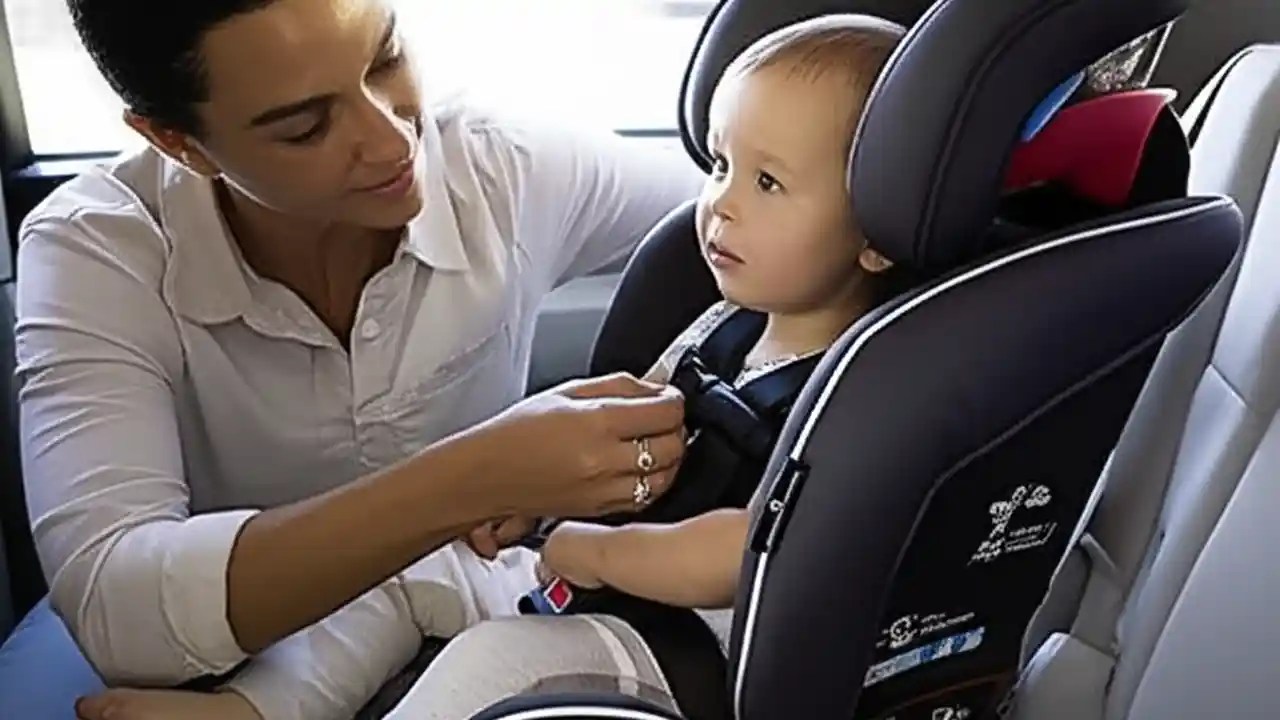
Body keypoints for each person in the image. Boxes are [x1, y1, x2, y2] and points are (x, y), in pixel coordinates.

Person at [22, 1, 704, 719]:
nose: (392, 141)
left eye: (386, 59)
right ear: (177, 142)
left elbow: (750, 224)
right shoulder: (95, 250)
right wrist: (481, 475)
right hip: (231, 662)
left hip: (485, 610)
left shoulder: (503, 169)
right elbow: (118, 610)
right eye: (305, 127)